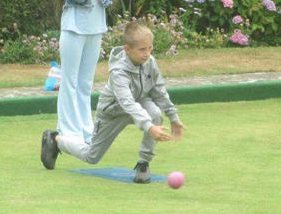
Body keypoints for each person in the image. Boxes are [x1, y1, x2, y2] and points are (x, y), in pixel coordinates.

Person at [41, 21, 186, 184]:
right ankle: (56, 140)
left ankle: (143, 163)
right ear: (127, 49)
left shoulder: (150, 62)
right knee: (91, 156)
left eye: (150, 48)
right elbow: (127, 103)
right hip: (113, 111)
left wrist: (173, 117)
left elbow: (159, 90)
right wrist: (149, 127)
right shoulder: (118, 72)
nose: (147, 53)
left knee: (155, 114)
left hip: (138, 103)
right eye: (142, 49)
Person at [55, 0, 118, 144]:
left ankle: (85, 128)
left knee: (85, 83)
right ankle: (68, 130)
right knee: (69, 81)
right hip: (73, 29)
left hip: (95, 29)